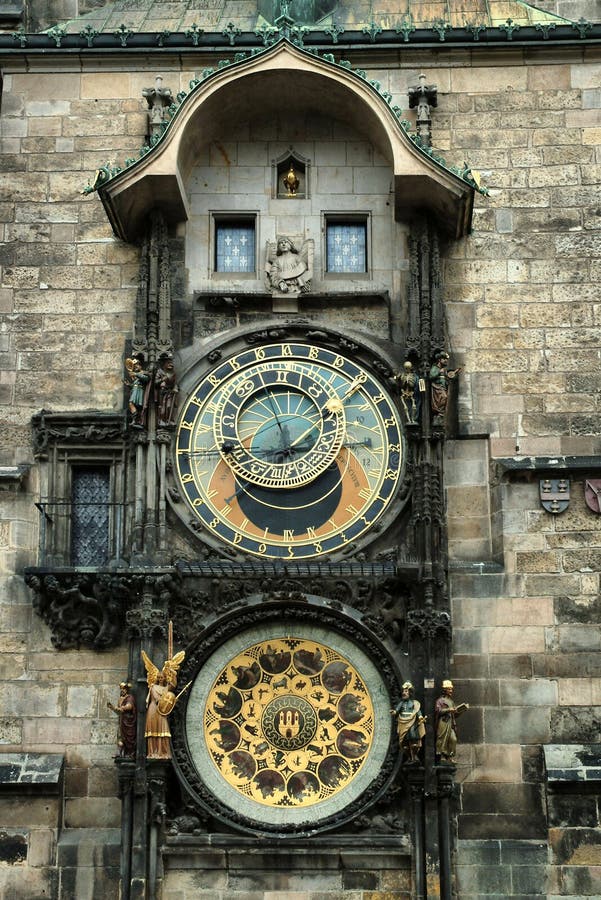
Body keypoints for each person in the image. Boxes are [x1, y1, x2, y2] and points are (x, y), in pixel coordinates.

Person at [391, 681, 425, 762]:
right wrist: (394, 712)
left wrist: (420, 717)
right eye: (403, 691)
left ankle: (414, 755)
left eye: (406, 691)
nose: (404, 693)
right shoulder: (401, 703)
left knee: (413, 737)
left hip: (412, 721)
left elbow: (417, 711)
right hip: (403, 722)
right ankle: (409, 756)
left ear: (410, 693)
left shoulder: (414, 703)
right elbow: (397, 710)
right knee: (404, 742)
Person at [435, 679, 468, 763]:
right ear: (445, 690)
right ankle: (442, 756)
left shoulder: (451, 701)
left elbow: (454, 714)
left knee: (453, 739)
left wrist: (461, 711)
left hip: (450, 722)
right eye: (449, 689)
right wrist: (449, 709)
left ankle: (449, 756)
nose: (451, 691)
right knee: (442, 738)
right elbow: (438, 711)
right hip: (443, 722)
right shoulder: (440, 700)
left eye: (451, 689)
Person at [429, 351, 462, 421]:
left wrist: (452, 375)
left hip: (443, 388)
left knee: (445, 398)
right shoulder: (435, 368)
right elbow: (431, 376)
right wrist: (439, 372)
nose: (446, 361)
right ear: (439, 360)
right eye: (444, 359)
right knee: (444, 397)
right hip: (437, 388)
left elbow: (447, 378)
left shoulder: (444, 370)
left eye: (446, 359)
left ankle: (441, 413)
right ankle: (439, 412)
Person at [107, 682, 137, 757]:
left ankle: (130, 753)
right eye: (121, 689)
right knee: (120, 736)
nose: (122, 690)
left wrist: (121, 708)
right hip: (122, 720)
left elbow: (129, 706)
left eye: (124, 689)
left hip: (128, 721)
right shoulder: (120, 699)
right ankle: (119, 753)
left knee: (129, 737)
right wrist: (113, 708)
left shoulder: (130, 697)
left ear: (127, 690)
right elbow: (119, 711)